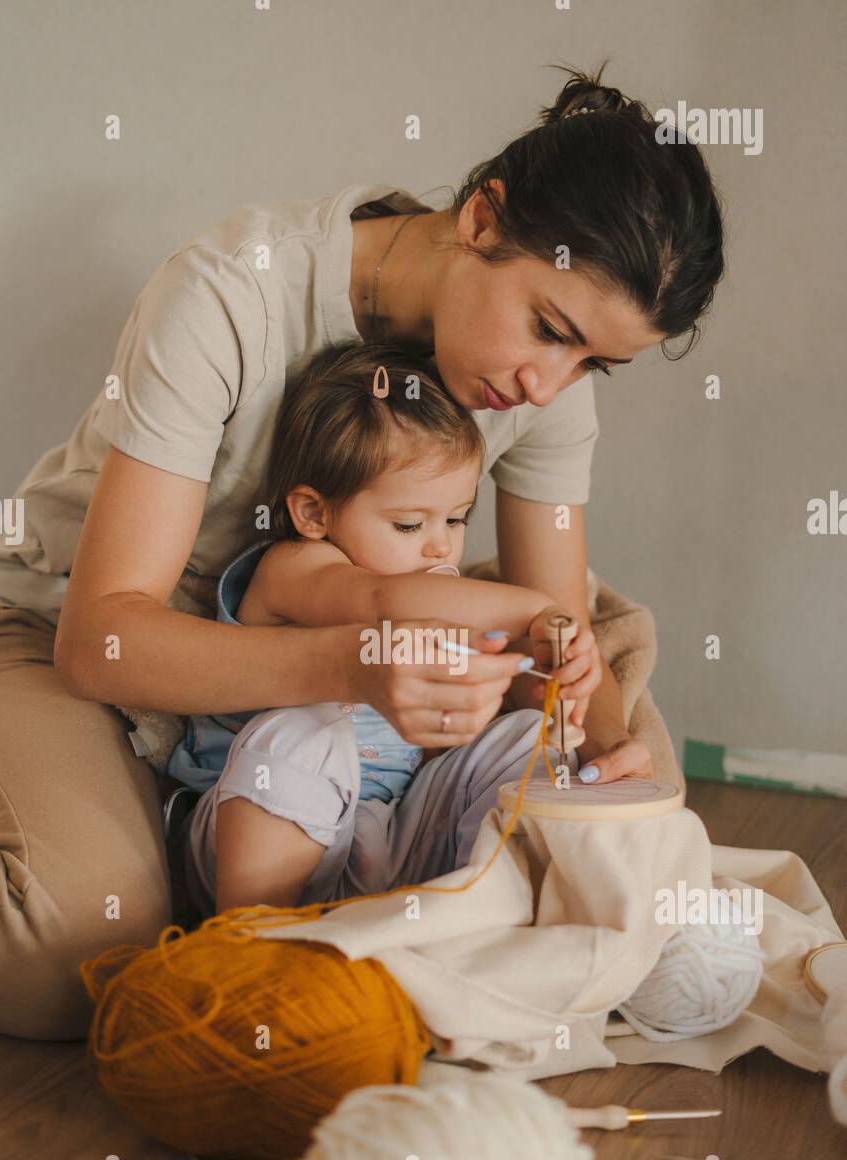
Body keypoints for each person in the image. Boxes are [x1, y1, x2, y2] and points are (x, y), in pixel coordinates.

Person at [0, 63, 725, 1039]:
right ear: (480, 220)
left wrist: (592, 722)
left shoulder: (539, 389)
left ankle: (301, 883)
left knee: (620, 791)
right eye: (549, 330)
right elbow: (102, 641)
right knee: (69, 952)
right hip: (78, 633)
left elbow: (555, 615)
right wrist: (350, 662)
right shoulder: (228, 295)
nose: (549, 385)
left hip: (345, 668)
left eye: (592, 363)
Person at [180, 340, 586, 918]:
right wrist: (532, 611)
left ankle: (485, 915)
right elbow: (377, 600)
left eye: (456, 517)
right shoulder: (296, 567)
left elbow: (438, 742)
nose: (441, 544)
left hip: (389, 838)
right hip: (255, 840)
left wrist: (543, 670)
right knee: (307, 734)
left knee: (524, 739)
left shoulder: (435, 596)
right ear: (315, 514)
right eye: (407, 523)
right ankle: (249, 946)